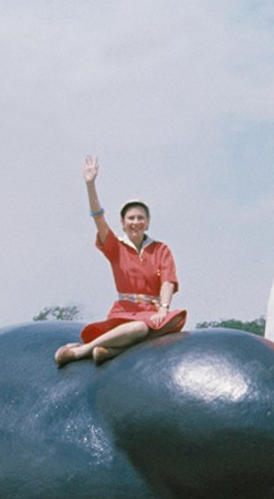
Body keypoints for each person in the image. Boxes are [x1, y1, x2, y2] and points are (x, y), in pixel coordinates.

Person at [55, 155, 187, 366]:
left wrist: (163, 308)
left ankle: (111, 350)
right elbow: (98, 218)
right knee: (139, 328)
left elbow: (167, 281)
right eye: (131, 218)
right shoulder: (116, 248)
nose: (136, 222)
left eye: (141, 218)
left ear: (148, 222)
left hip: (153, 312)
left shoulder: (160, 249)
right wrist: (90, 185)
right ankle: (81, 351)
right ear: (123, 223)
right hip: (125, 313)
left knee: (177, 319)